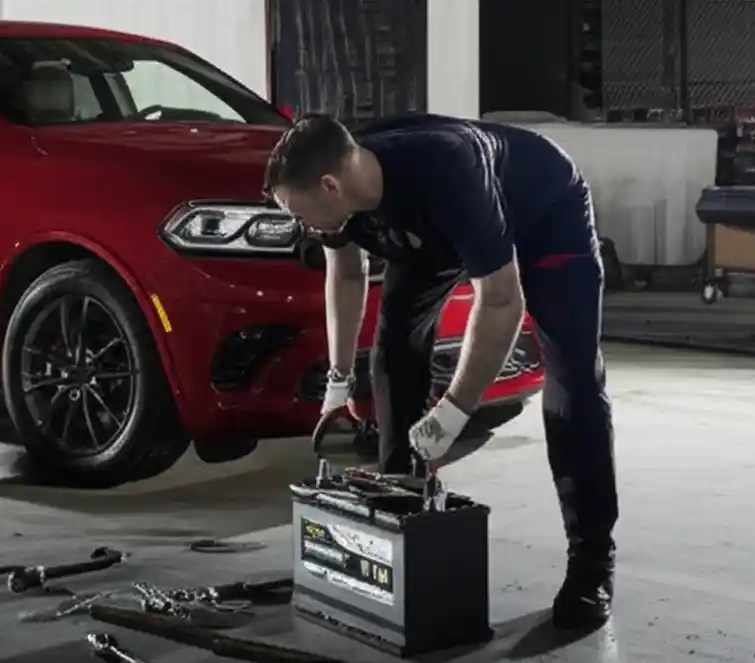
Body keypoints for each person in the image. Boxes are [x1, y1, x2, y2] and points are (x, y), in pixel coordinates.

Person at [264, 113, 618, 631]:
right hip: (431, 231)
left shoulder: (448, 168)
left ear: (330, 185)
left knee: (572, 381)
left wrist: (453, 411)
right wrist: (338, 388)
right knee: (394, 348)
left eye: (301, 214)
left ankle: (591, 564)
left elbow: (501, 302)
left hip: (543, 210)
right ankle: (398, 523)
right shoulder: (340, 189)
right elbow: (344, 274)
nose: (304, 226)